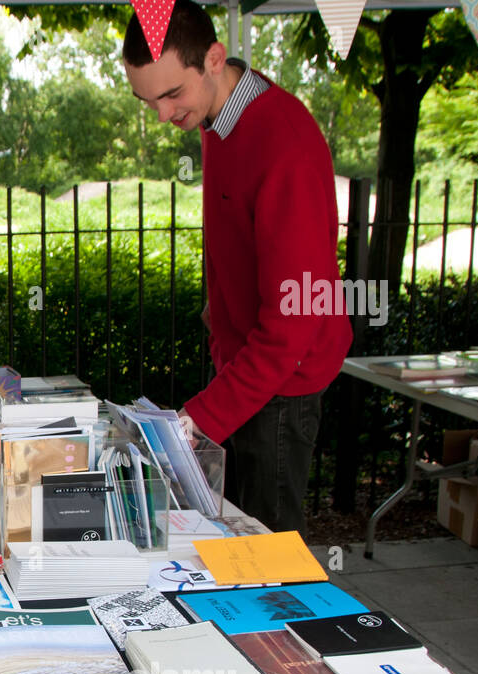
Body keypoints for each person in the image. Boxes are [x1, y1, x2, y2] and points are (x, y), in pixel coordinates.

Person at [121, 0, 352, 535]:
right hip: (245, 371)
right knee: (226, 538)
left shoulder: (281, 142)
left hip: (281, 384)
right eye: (147, 100)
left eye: (172, 94)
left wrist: (199, 418)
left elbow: (294, 321)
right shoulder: (218, 118)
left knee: (266, 556)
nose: (162, 115)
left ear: (214, 58)